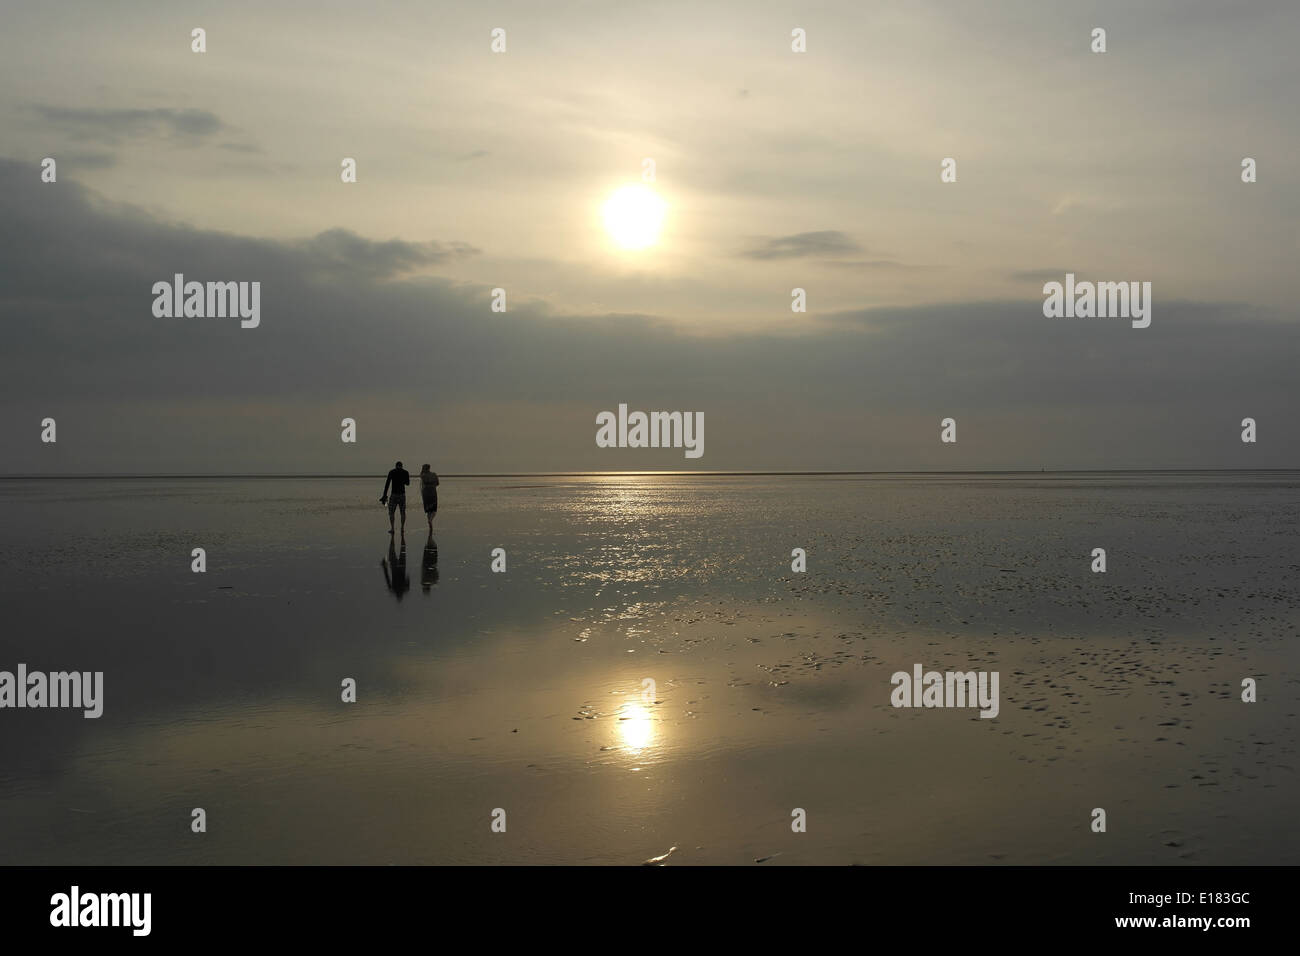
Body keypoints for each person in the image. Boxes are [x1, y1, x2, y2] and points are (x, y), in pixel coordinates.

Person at [380, 461, 410, 535]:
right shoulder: (405, 472)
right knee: (402, 512)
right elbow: (408, 483)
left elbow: (387, 484)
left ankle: (392, 528)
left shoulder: (392, 472)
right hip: (402, 495)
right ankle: (402, 528)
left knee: (391, 512)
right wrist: (402, 480)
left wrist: (384, 495)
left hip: (394, 495)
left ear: (395, 466)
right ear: (402, 466)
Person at [419, 464, 440, 532]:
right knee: (434, 510)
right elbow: (437, 483)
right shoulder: (434, 474)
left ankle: (430, 525)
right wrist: (432, 484)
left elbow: (422, 479)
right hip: (433, 492)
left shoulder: (423, 475)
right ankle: (430, 521)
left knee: (428, 510)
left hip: (425, 493)